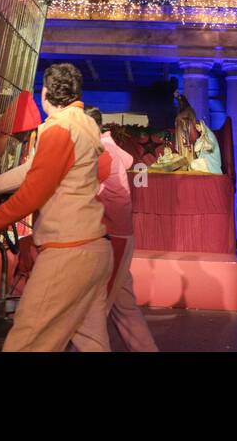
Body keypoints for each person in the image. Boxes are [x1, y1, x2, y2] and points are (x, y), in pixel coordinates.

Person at [0, 63, 112, 352]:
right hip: (94, 248)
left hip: (68, 251)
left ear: (45, 93)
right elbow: (30, 172)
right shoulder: (83, 126)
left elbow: (33, 192)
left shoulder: (60, 130)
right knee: (92, 343)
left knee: (27, 339)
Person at [80, 106, 157, 351]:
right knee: (124, 309)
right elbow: (129, 160)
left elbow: (85, 192)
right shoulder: (109, 148)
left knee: (94, 310)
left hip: (113, 237)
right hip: (118, 235)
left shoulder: (101, 152)